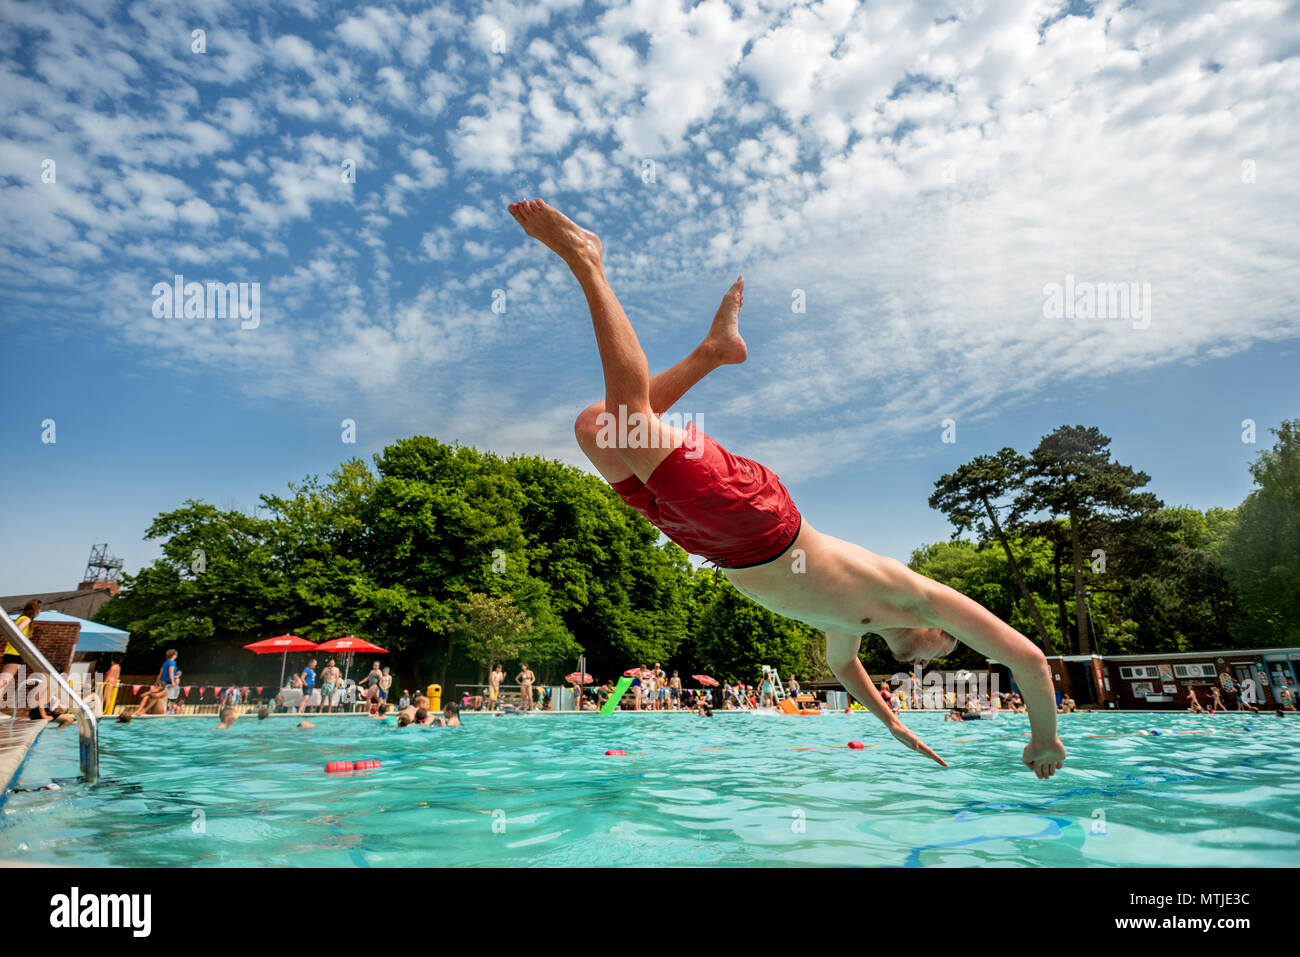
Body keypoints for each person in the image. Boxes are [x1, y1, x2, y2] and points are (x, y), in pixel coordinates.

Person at [509, 198, 1064, 777]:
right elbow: (1027, 658)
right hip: (755, 520)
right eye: (946, 644)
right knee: (627, 420)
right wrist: (1044, 738)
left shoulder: (851, 625)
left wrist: (892, 723)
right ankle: (587, 260)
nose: (943, 651)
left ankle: (714, 353)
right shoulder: (916, 595)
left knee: (595, 428)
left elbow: (848, 672)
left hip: (707, 542)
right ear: (934, 627)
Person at [2, 599, 40, 712]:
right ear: (34, 610)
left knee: (4, 680)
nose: (39, 612)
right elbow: (17, 632)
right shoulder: (26, 619)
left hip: (10, 652)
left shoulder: (21, 618)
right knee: (4, 681)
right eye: (38, 610)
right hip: (15, 653)